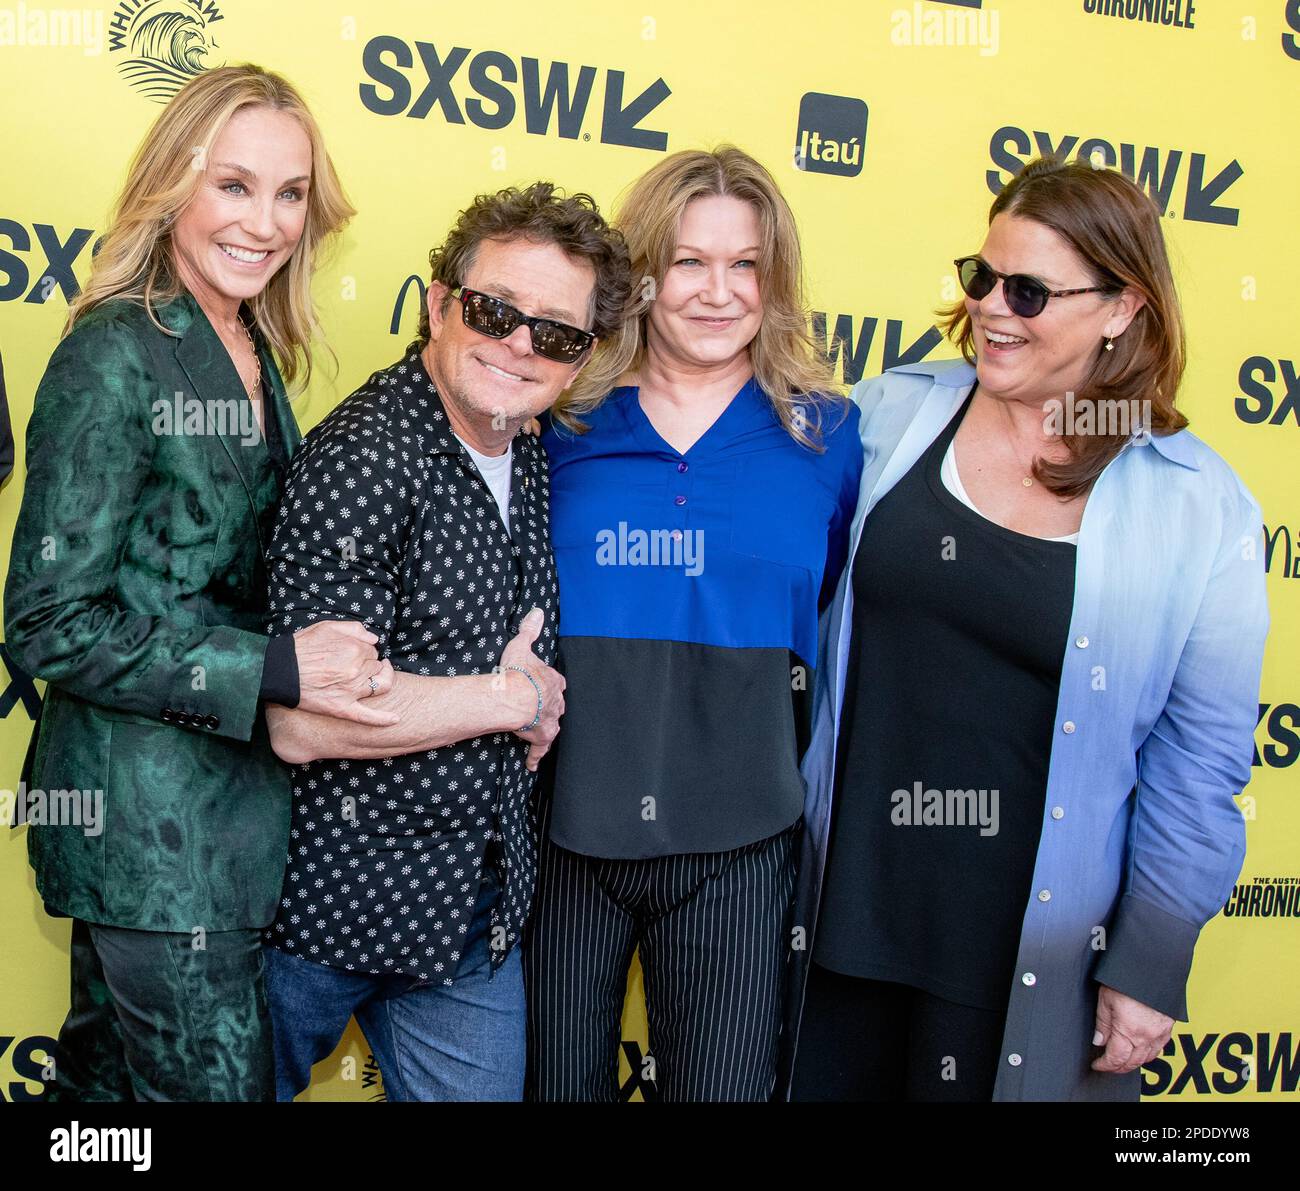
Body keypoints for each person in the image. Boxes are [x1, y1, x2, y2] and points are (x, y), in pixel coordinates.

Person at [783, 156, 1269, 1102]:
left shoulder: (1199, 505)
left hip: (1031, 957)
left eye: (1031, 290)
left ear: (1123, 307)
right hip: (840, 918)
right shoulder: (890, 414)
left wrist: (1151, 958)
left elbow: (1201, 756)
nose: (991, 309)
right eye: (982, 276)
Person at [3, 65, 390, 1102]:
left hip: (229, 826)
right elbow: (46, 621)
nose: (265, 222)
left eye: (291, 193)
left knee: (101, 1115)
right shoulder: (116, 354)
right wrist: (272, 664)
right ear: (173, 186)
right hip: (146, 836)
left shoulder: (256, 345)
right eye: (233, 185)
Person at [260, 181, 633, 1102]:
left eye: (554, 334)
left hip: (465, 920)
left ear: (580, 356)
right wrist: (512, 700)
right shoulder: (367, 455)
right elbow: (302, 723)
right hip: (314, 913)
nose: (518, 345)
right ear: (439, 303)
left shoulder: (533, 447)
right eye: (496, 309)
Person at [525, 146, 864, 1102]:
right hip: (563, 835)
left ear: (774, 279)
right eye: (688, 262)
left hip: (744, 844)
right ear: (642, 276)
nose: (717, 292)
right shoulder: (562, 416)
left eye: (744, 264)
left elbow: (827, 604)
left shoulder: (826, 439)